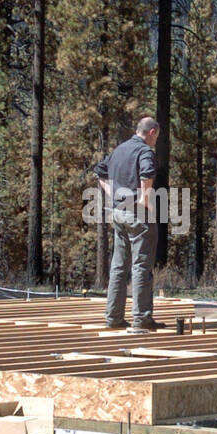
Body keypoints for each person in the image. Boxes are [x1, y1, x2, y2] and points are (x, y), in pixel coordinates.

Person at [94, 117, 161, 331]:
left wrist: (113, 194)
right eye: (156, 138)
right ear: (151, 132)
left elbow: (99, 172)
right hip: (137, 214)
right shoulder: (145, 151)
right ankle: (142, 318)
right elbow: (147, 174)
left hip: (118, 213)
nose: (155, 142)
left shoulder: (120, 150)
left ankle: (113, 318)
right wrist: (143, 200)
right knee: (141, 265)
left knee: (119, 266)